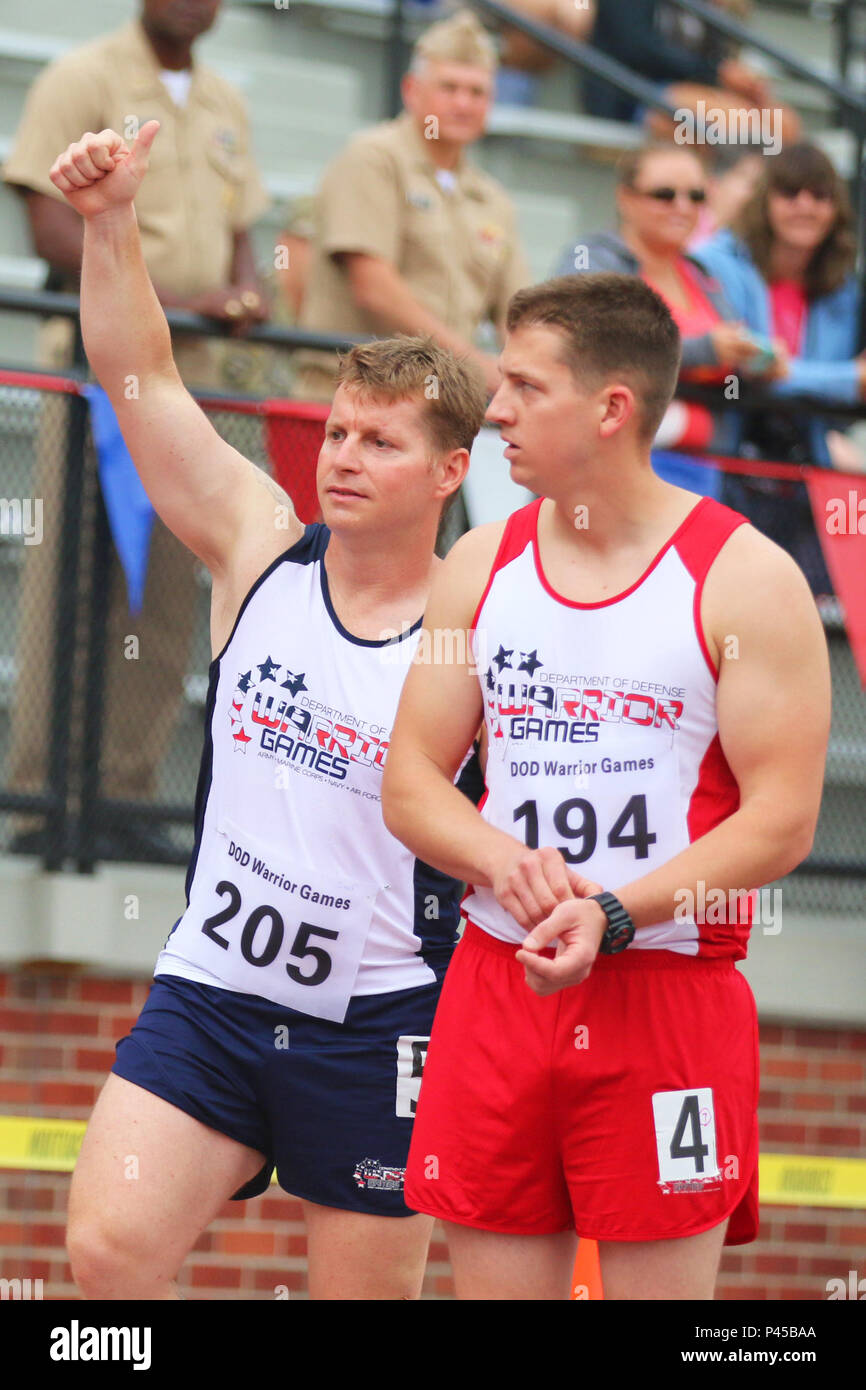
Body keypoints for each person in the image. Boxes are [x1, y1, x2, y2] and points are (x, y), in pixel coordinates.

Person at [51, 120, 487, 1300]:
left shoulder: (479, 626)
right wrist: (110, 221)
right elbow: (140, 381)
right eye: (337, 431)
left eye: (380, 442)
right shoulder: (259, 546)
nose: (342, 457)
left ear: (448, 471)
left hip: (379, 1017)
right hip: (213, 988)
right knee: (107, 1251)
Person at [382, 273, 830, 1300]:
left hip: (661, 992)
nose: (493, 407)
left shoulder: (742, 576)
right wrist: (508, 864)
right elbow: (409, 781)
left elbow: (782, 819)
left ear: (610, 407)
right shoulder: (479, 563)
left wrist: (613, 915)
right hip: (499, 981)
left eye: (522, 386)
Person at [3, 0, 270, 861]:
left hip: (198, 378)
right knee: (75, 581)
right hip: (105, 372)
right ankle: (49, 796)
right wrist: (179, 300)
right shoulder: (83, 75)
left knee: (166, 592)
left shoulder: (226, 98)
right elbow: (50, 225)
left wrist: (240, 291)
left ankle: (125, 797)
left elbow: (240, 234)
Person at [295, 9, 530, 401]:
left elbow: (515, 314)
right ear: (411, 90)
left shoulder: (492, 198)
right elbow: (373, 288)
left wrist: (522, 370)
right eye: (449, 87)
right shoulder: (372, 158)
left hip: (438, 406)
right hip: (351, 399)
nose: (463, 103)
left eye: (477, 92)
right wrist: (468, 362)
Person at [696, 142, 866, 591]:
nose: (805, 206)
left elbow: (787, 373)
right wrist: (850, 378)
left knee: (813, 608)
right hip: (726, 460)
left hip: (804, 466)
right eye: (790, 192)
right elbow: (752, 364)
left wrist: (792, 373)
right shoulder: (718, 259)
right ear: (765, 200)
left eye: (820, 194)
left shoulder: (841, 287)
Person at [556, 144, 782, 478]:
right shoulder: (592, 259)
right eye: (664, 194)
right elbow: (591, 345)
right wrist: (706, 350)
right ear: (625, 198)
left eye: (696, 196)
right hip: (607, 469)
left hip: (702, 469)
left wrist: (758, 360)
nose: (683, 207)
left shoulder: (704, 273)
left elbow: (731, 371)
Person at [583, 0, 800, 147]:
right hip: (634, 96)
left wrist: (744, 84)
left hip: (697, 89)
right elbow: (636, 47)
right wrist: (718, 73)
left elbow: (720, 59)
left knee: (783, 121)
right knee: (713, 119)